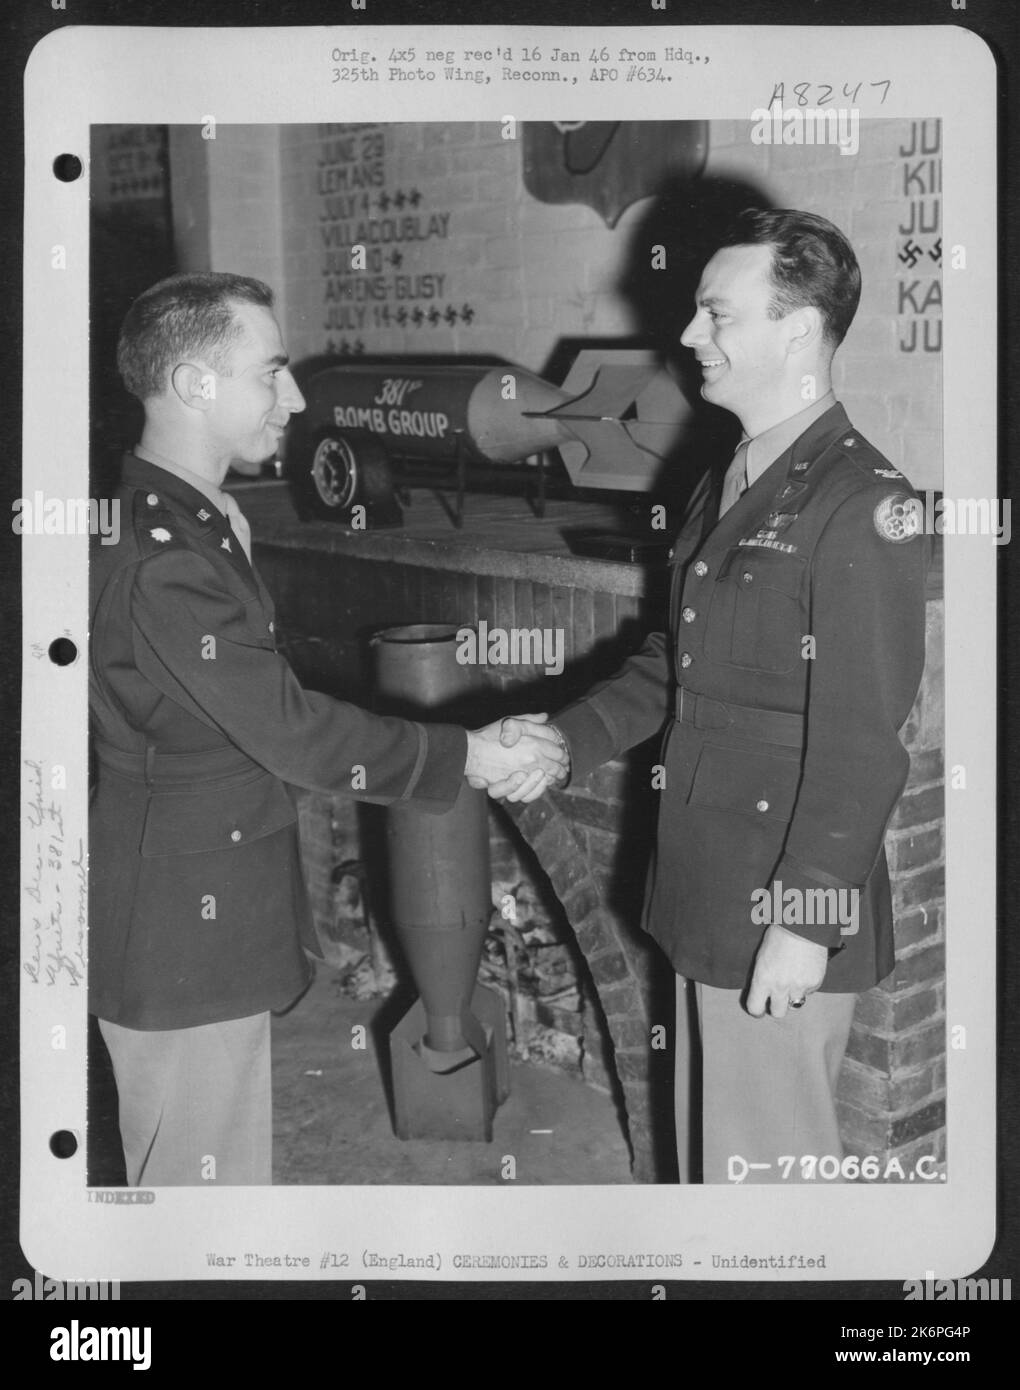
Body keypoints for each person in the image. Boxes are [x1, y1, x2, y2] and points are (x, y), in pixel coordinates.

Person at [89, 271, 564, 1187]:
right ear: (195, 385)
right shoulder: (167, 558)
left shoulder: (190, 518)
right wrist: (468, 753)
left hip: (198, 899)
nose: (296, 396)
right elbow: (293, 732)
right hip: (179, 923)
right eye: (272, 372)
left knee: (213, 1175)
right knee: (199, 1194)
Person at [527, 209, 929, 1183]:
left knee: (771, 1183)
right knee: (720, 1164)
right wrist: (563, 737)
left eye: (717, 316)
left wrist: (801, 920)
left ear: (797, 330)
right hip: (710, 886)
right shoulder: (734, 473)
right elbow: (680, 661)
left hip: (779, 902)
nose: (689, 336)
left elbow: (865, 739)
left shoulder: (860, 500)